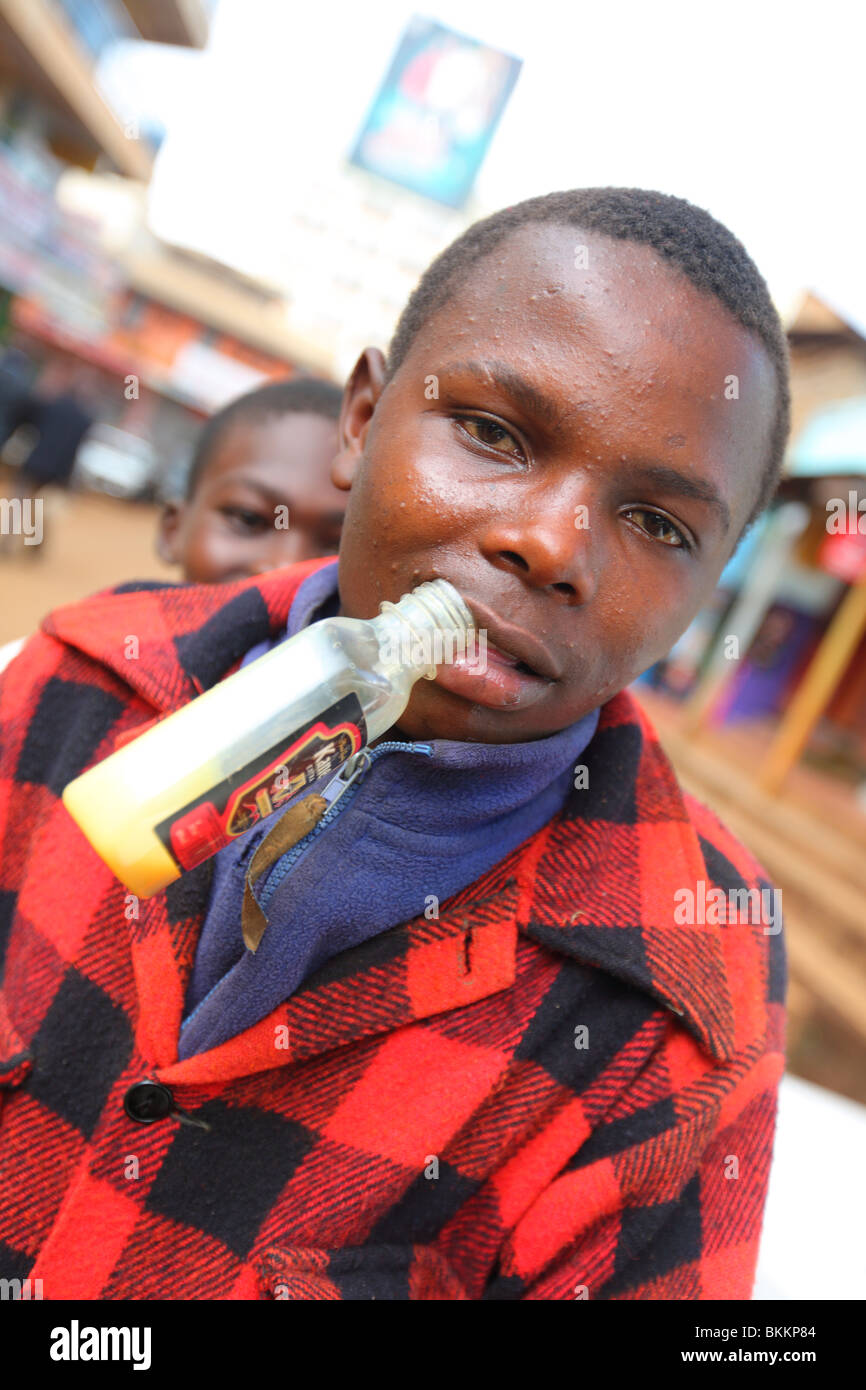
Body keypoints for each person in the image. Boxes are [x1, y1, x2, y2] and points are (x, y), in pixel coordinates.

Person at [0, 188, 789, 1301]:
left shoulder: (679, 1004)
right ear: (362, 418)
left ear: (701, 596)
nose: (547, 543)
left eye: (656, 524)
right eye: (491, 432)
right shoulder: (76, 685)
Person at [156, 376, 346, 583]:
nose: (284, 568)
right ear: (173, 530)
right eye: (249, 519)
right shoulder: (118, 613)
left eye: (336, 547)